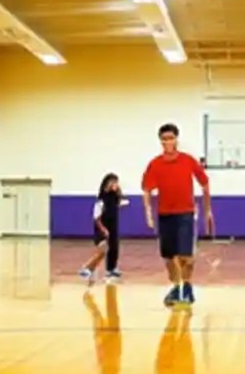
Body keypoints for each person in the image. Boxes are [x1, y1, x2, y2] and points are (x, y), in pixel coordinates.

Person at [141, 123, 212, 306]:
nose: (168, 142)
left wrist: (208, 210)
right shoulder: (155, 164)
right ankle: (175, 287)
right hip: (165, 215)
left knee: (185, 256)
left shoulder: (188, 161)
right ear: (160, 142)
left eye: (171, 138)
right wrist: (148, 213)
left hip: (185, 214)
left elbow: (204, 183)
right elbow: (147, 189)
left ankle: (187, 286)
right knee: (169, 256)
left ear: (176, 140)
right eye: (164, 139)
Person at [79, 172, 127, 283]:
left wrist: (118, 189)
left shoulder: (114, 198)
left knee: (113, 248)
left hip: (113, 228)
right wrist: (103, 229)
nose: (116, 184)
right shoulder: (101, 201)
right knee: (102, 251)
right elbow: (96, 218)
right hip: (102, 229)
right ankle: (86, 268)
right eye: (113, 182)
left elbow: (121, 200)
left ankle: (111, 269)